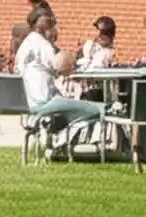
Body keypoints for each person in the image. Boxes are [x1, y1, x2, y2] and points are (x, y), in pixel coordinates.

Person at [16, 13, 103, 148]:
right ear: (48, 30)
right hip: (45, 102)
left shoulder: (26, 46)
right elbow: (61, 65)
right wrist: (73, 60)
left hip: (27, 101)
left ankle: (53, 135)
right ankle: (70, 141)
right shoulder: (44, 46)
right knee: (94, 108)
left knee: (69, 102)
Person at [10, 0, 51, 69]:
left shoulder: (40, 11)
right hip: (35, 32)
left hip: (37, 34)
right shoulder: (43, 6)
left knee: (17, 32)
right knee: (17, 31)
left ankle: (15, 60)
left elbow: (31, 21)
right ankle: (14, 59)